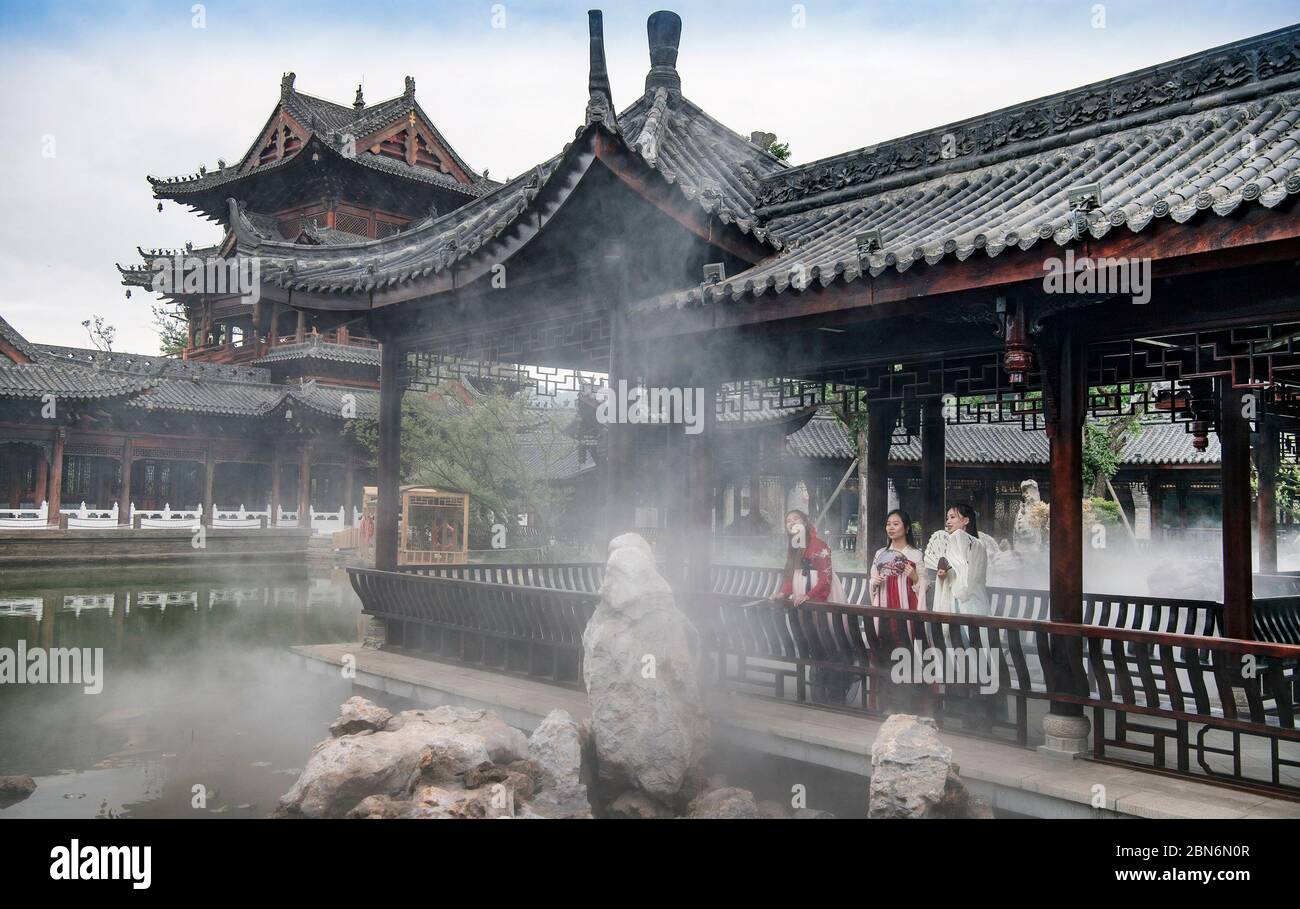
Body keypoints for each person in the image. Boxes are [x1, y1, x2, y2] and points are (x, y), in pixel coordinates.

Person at [769, 510, 851, 704]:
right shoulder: (794, 546)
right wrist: (783, 592)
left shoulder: (819, 545)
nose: (791, 523)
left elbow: (826, 577)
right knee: (813, 637)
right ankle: (821, 682)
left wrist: (810, 595)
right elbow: (790, 573)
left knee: (828, 636)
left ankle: (836, 687)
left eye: (796, 519)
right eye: (788, 520)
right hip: (802, 594)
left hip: (820, 594)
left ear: (805, 522)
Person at [932, 503, 989, 615]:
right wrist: (942, 575)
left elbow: (968, 574)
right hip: (953, 600)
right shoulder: (953, 542)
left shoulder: (974, 543)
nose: (948, 521)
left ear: (966, 521)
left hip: (968, 602)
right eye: (947, 518)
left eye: (953, 517)